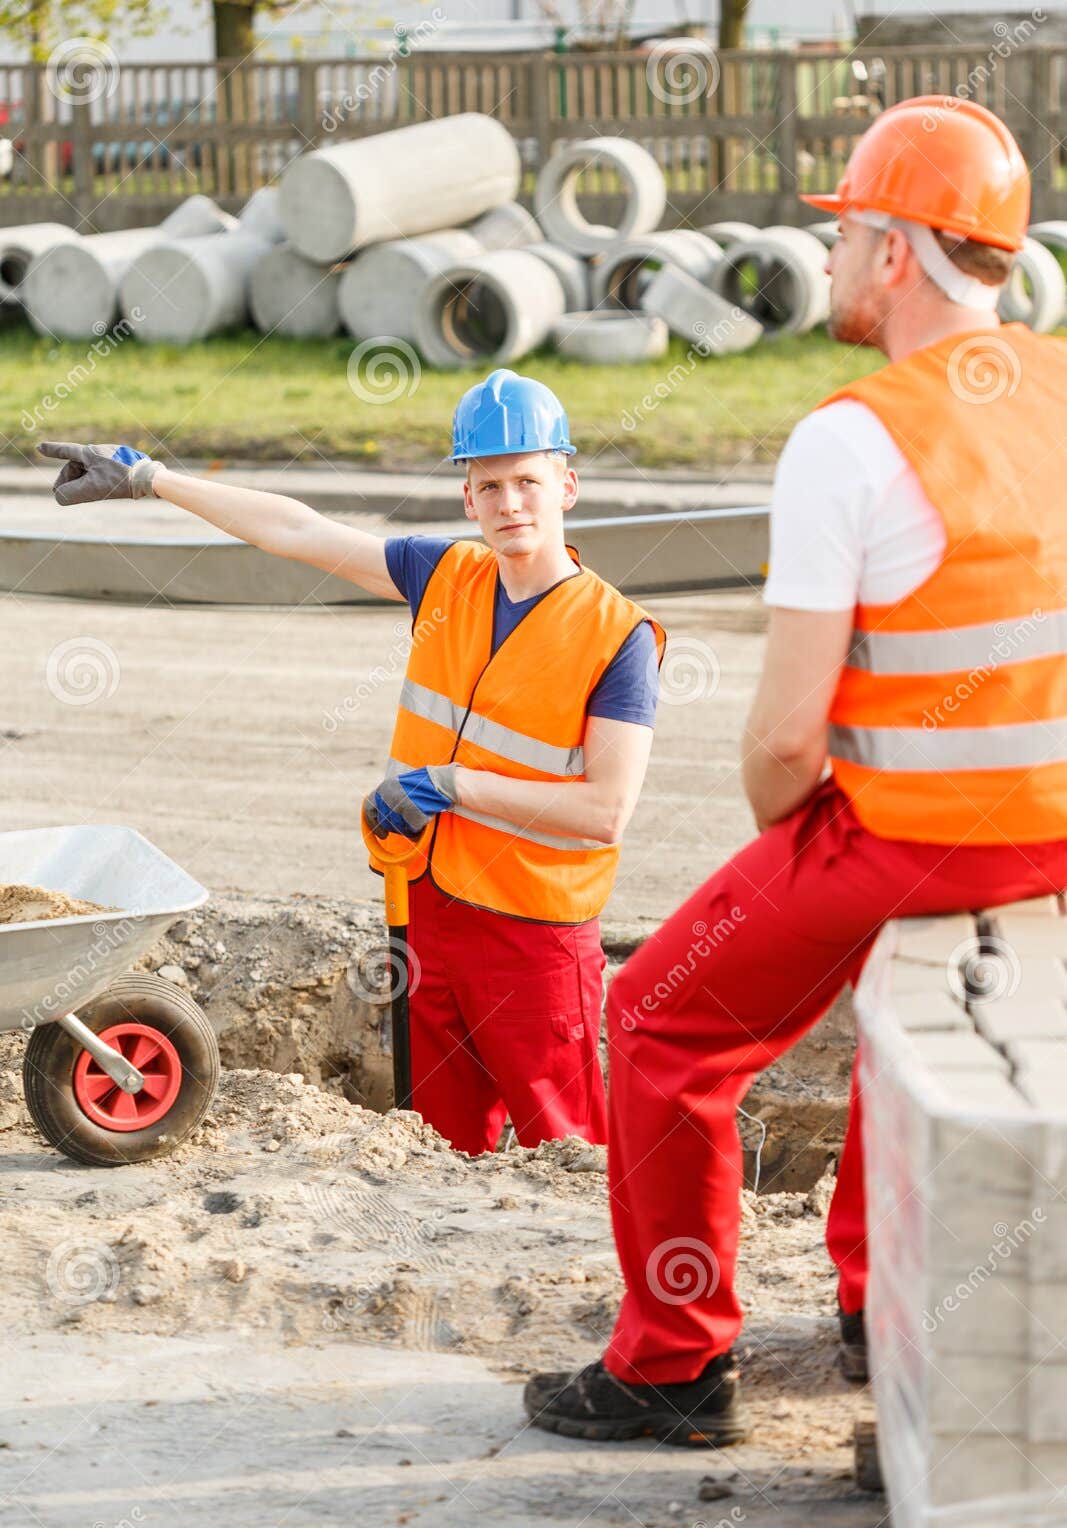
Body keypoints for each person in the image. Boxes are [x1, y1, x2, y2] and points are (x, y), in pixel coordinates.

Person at [524, 95, 1067, 1446]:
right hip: (1051, 829)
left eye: (840, 236)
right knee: (893, 995)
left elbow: (780, 741)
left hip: (909, 829)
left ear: (893, 255)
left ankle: (671, 1364)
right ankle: (865, 1299)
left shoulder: (850, 437)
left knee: (656, 1019)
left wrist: (789, 847)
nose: (821, 261)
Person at [40, 369, 664, 1158]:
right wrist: (151, 478)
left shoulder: (618, 637)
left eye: (528, 481)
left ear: (566, 485)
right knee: (440, 1151)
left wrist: (452, 786)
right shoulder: (447, 578)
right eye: (490, 485)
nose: (510, 504)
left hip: (534, 936)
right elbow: (296, 531)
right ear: (467, 498)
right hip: (427, 912)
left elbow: (606, 811)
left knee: (567, 1150)